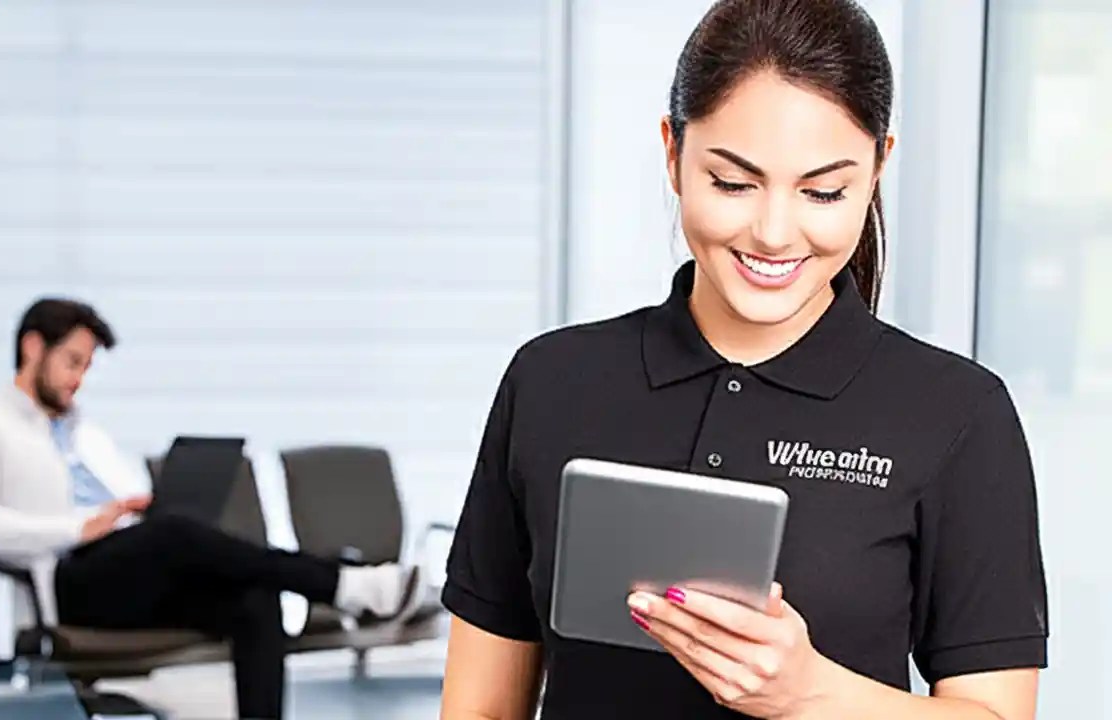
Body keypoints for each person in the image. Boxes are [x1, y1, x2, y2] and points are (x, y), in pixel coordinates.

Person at [439, 1, 1048, 719]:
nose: (773, 233)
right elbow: (480, 707)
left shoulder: (958, 413)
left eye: (823, 191)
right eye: (733, 183)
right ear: (673, 154)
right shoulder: (550, 383)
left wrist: (808, 692)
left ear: (878, 167)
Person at [0, 298, 420, 720]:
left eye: (86, 367)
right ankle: (343, 584)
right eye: (72, 362)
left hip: (129, 575)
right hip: (63, 582)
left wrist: (137, 510)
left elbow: (131, 504)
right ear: (32, 348)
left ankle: (336, 597)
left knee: (254, 598)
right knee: (174, 532)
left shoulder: (87, 435)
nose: (79, 378)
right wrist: (81, 527)